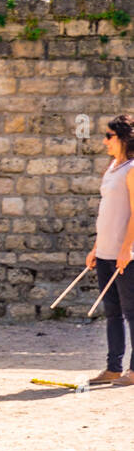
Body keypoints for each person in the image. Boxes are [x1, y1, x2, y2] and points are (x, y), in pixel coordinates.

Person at [86, 115, 134, 387]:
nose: (104, 141)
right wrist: (95, 247)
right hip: (105, 252)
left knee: (132, 312)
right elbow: (107, 211)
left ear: (123, 138)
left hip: (125, 253)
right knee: (112, 312)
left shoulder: (132, 169)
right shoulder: (113, 167)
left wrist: (127, 248)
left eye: (108, 136)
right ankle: (113, 368)